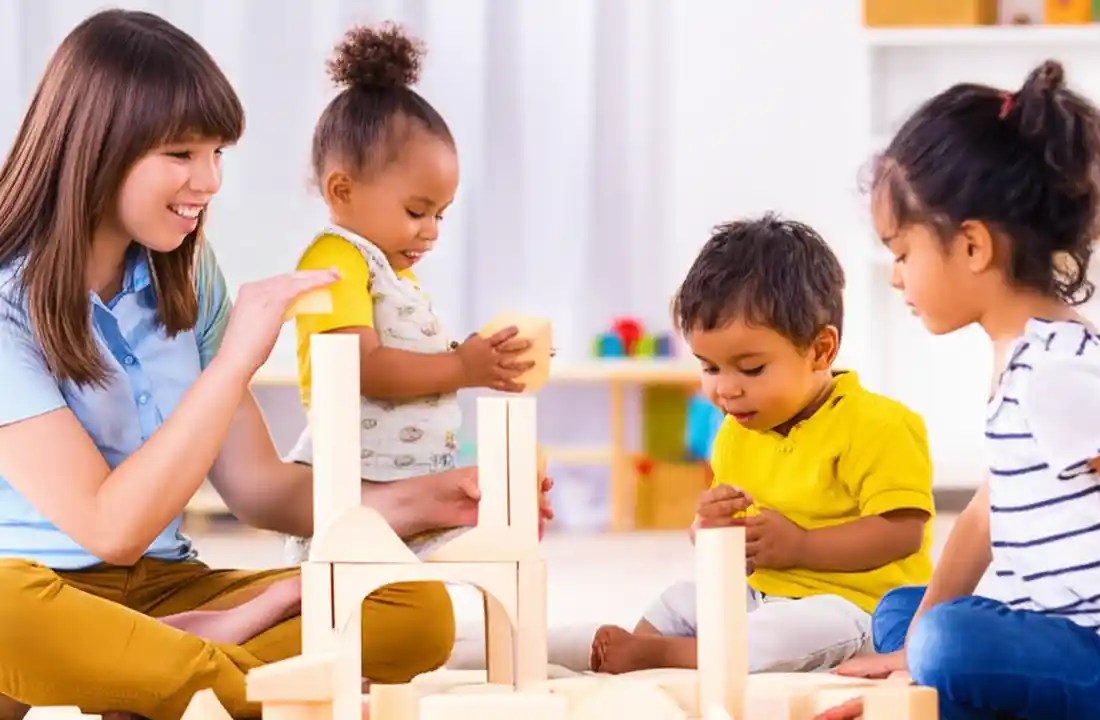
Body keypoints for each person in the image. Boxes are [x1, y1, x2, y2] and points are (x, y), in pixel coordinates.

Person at [0, 10, 481, 720]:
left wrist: (428, 498)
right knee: (13, 619)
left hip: (166, 586)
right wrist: (233, 362)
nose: (211, 179)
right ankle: (218, 677)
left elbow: (259, 489)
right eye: (183, 153)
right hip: (31, 588)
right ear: (97, 149)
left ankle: (161, 672)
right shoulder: (8, 299)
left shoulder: (188, 280)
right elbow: (110, 528)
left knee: (412, 611)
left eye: (218, 152)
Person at [820, 61, 1100, 720]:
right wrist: (912, 646)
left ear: (972, 247)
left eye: (902, 252)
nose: (894, 277)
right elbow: (983, 516)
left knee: (945, 641)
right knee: (906, 615)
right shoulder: (1022, 352)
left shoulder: (1054, 371)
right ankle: (936, 677)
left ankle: (943, 687)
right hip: (1076, 632)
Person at [590, 214, 936, 675]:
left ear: (820, 350)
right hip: (762, 596)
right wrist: (709, 530)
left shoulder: (881, 425)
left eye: (750, 369)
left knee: (792, 632)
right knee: (679, 600)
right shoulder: (734, 433)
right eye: (710, 368)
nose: (726, 389)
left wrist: (803, 547)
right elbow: (736, 547)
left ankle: (667, 658)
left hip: (857, 610)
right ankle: (649, 659)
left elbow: (902, 533)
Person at [281, 22, 552, 564]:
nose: (431, 231)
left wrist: (479, 356)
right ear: (342, 190)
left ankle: (490, 521)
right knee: (351, 590)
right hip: (355, 483)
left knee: (505, 530)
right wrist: (463, 369)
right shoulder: (331, 260)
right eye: (416, 211)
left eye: (441, 215)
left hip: (412, 478)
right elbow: (358, 365)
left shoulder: (394, 276)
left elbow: (413, 362)